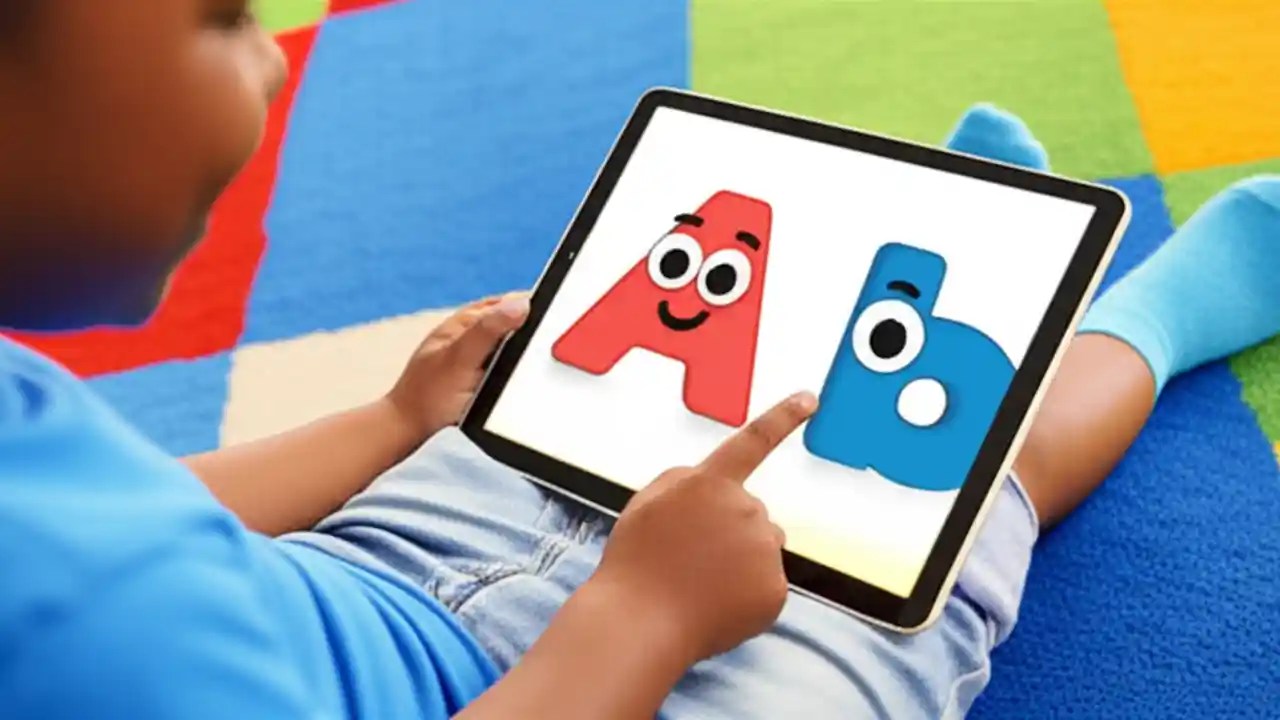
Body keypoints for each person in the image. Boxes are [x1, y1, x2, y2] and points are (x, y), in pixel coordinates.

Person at [2, 3, 1277, 718]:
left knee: (612, 431)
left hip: (358, 589)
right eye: (222, 17)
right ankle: (1140, 331)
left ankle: (949, 254)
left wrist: (394, 423)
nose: (272, 59)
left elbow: (145, 519)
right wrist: (640, 619)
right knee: (937, 503)